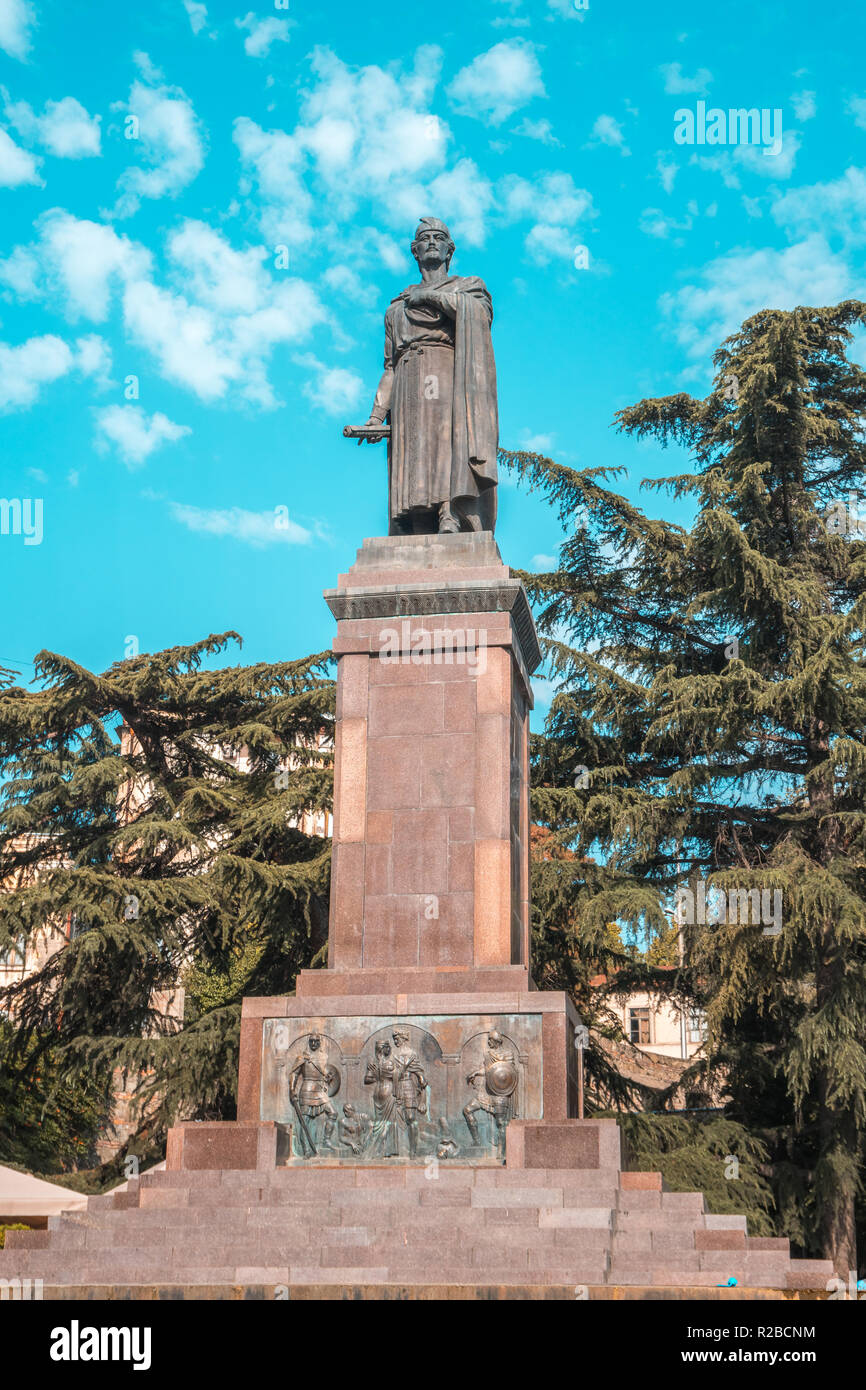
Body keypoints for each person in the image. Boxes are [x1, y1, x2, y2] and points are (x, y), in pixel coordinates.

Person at [361, 217, 498, 536]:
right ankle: (418, 522)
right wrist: (376, 415)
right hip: (409, 383)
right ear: (415, 250)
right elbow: (390, 367)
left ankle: (449, 514)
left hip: (449, 376)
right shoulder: (396, 308)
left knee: (446, 443)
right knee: (414, 454)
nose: (432, 241)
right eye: (425, 237)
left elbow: (479, 316)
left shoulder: (468, 287)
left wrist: (432, 298)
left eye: (439, 237)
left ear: (450, 250)